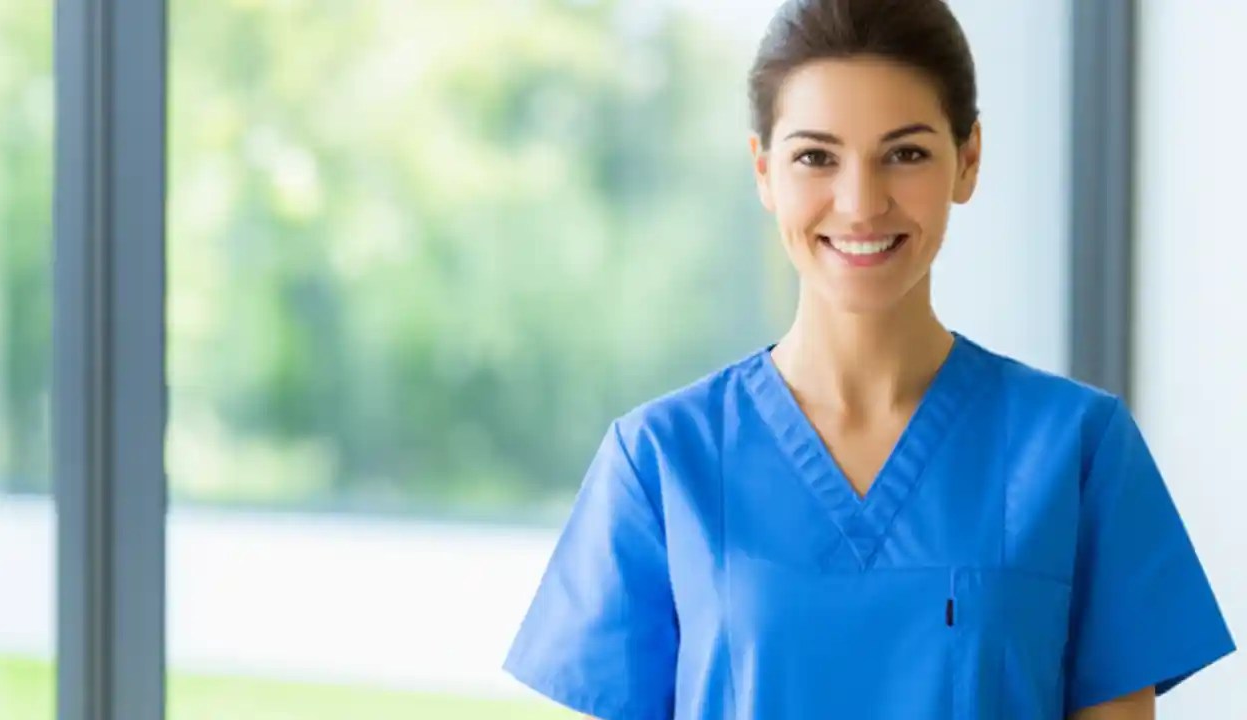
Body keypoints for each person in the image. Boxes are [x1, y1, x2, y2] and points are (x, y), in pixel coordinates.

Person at [501, 0, 1237, 717]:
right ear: (763, 170)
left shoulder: (1076, 451)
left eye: (906, 153)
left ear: (968, 160)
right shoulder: (662, 463)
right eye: (816, 157)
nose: (860, 203)